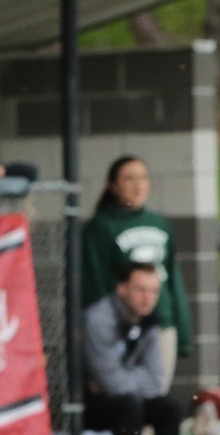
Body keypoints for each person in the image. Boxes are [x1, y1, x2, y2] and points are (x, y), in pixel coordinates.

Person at [84, 261, 208, 435]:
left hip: (128, 401)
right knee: (129, 405)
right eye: (140, 289)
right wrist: (134, 378)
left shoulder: (150, 322)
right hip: (88, 406)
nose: (147, 298)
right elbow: (111, 382)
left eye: (153, 291)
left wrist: (130, 378)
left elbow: (155, 382)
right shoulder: (99, 319)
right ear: (122, 289)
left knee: (168, 408)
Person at [82, 154, 192, 390]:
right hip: (121, 326)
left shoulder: (159, 223)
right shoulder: (100, 227)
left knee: (155, 394)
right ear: (113, 186)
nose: (138, 185)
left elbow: (173, 279)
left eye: (143, 177)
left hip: (159, 322)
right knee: (121, 395)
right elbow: (94, 284)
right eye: (129, 179)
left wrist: (183, 332)